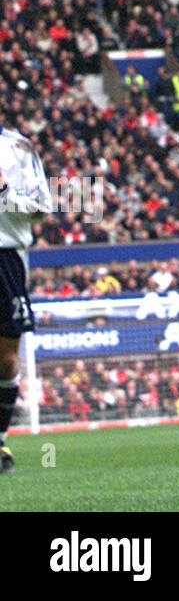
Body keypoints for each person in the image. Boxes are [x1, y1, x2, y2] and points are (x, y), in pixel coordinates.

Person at [0, 126, 52, 472]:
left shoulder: (17, 147)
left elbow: (41, 208)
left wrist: (4, 192)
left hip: (5, 256)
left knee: (5, 360)